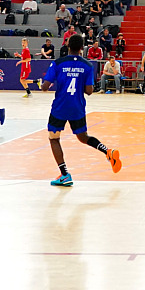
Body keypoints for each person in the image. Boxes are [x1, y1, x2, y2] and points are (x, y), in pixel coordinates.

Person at [40, 34, 121, 187]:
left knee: (54, 138)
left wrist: (42, 84)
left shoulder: (58, 63)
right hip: (77, 106)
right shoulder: (88, 65)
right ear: (82, 48)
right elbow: (89, 91)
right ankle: (108, 151)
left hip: (60, 107)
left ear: (68, 45)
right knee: (83, 137)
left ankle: (64, 175)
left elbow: (45, 87)